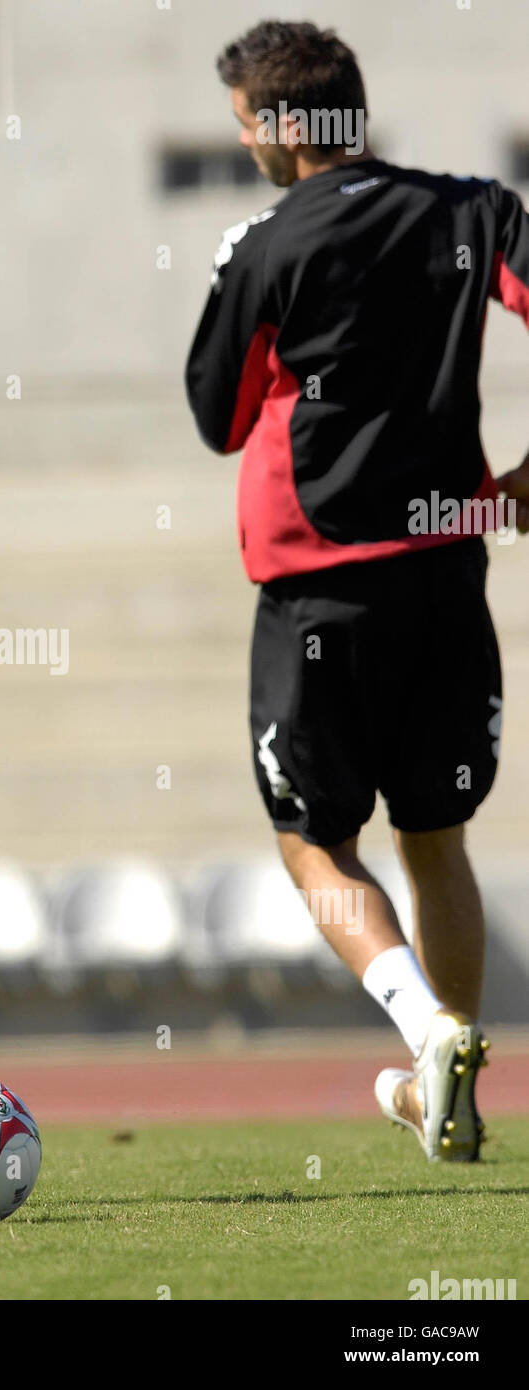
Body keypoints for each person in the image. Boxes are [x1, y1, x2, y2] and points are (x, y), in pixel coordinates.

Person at [185, 21, 529, 1161]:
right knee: (436, 835)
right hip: (446, 572)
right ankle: (456, 1078)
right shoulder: (475, 210)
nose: (244, 148)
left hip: (317, 589)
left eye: (243, 126)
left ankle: (428, 1031)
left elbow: (219, 418)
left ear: (284, 127)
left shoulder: (267, 244)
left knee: (310, 839)